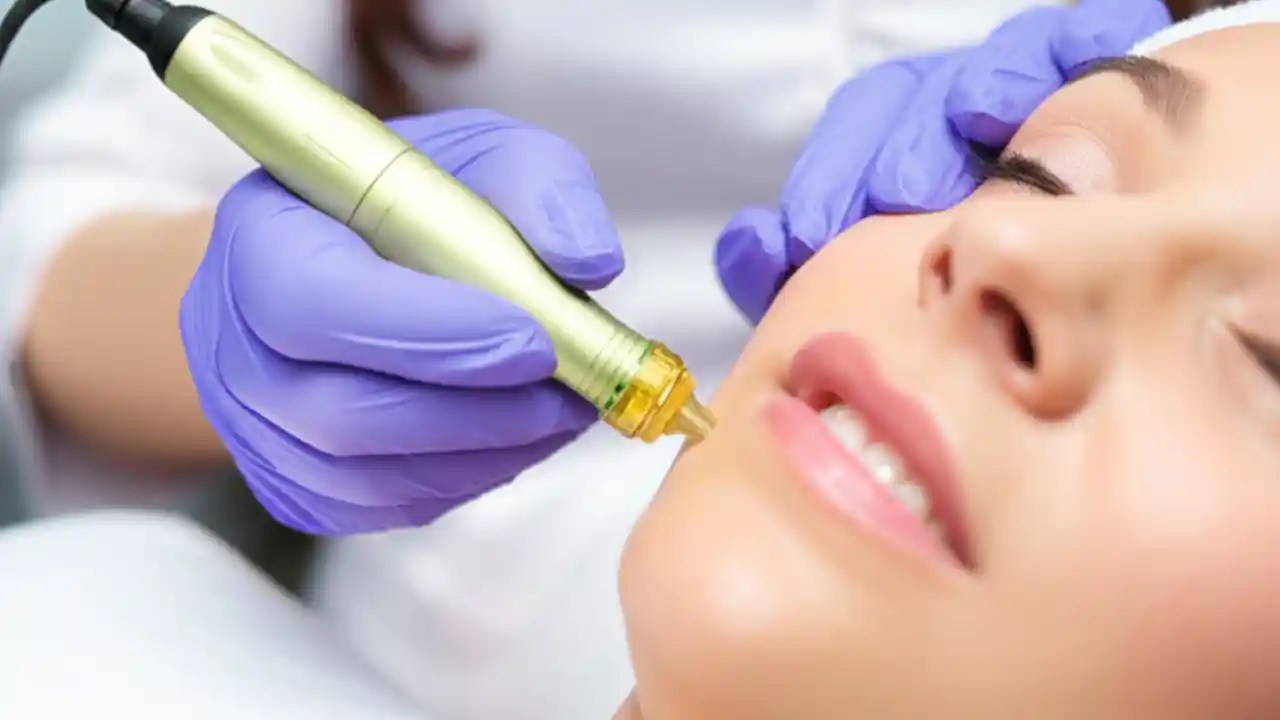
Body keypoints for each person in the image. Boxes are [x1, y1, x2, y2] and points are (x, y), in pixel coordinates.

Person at [4, 3, 1278, 716]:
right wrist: (252, 337)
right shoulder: (73, 642)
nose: (1003, 243)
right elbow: (64, 222)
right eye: (1031, 169)